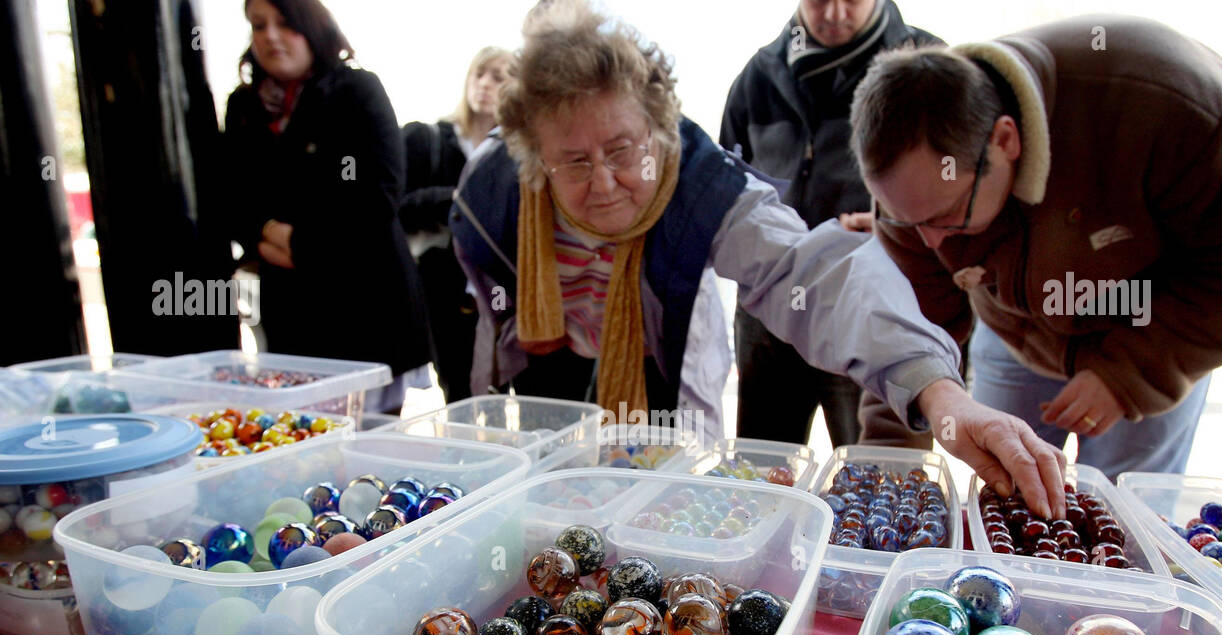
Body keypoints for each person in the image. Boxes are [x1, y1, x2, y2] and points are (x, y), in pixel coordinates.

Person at [452, 0, 1068, 517]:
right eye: (576, 162)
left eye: (622, 150)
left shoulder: (702, 189)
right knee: (547, 496)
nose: (607, 182)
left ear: (660, 132)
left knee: (650, 495)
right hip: (546, 361)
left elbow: (814, 270)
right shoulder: (491, 191)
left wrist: (938, 393)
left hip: (652, 363)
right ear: (533, 156)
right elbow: (484, 300)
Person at [850, 15, 1222, 479]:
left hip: (1158, 334)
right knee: (1005, 484)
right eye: (909, 223)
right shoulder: (918, 180)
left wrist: (1131, 374)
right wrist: (888, 465)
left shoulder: (1174, 107)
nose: (930, 243)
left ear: (1004, 140)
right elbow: (912, 329)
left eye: (948, 218)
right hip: (1016, 336)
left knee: (1120, 511)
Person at [720, 0, 940, 450]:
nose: (835, 13)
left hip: (872, 304)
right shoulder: (758, 76)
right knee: (765, 465)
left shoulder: (926, 67)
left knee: (875, 473)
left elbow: (959, 194)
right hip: (770, 313)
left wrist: (897, 229)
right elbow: (729, 184)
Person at [223, 0, 434, 413]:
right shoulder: (244, 108)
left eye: (285, 24)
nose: (270, 35)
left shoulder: (357, 90)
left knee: (373, 452)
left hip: (368, 310)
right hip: (293, 319)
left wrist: (299, 245)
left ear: (312, 28)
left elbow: (378, 196)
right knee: (305, 446)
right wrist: (266, 233)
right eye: (258, 25)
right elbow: (232, 199)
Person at [400, 48, 510, 405]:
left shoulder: (514, 152)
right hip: (443, 288)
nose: (485, 84)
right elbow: (394, 207)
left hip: (499, 290)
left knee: (501, 389)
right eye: (480, 74)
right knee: (457, 391)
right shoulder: (428, 140)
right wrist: (457, 200)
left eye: (498, 76)